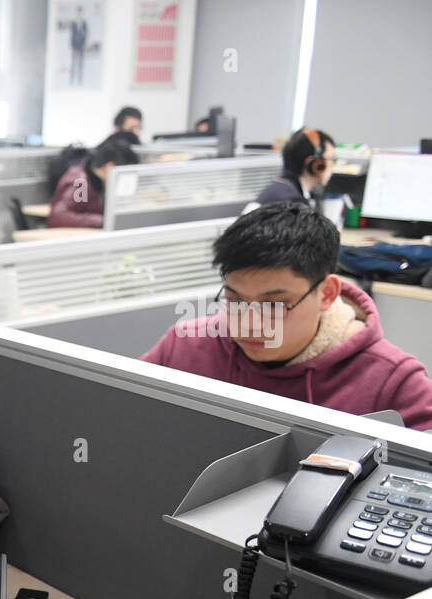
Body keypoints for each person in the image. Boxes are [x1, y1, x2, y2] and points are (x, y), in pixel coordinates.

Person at [141, 203, 432, 431]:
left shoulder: (393, 381)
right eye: (235, 300)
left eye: (274, 306)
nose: (250, 323)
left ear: (327, 293)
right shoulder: (184, 348)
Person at [47, 138, 139, 228]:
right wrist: (102, 220)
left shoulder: (101, 181)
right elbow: (59, 217)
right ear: (110, 167)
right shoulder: (81, 183)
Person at [249, 127, 336, 208]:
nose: (333, 166)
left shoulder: (281, 190)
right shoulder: (293, 205)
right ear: (315, 164)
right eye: (331, 159)